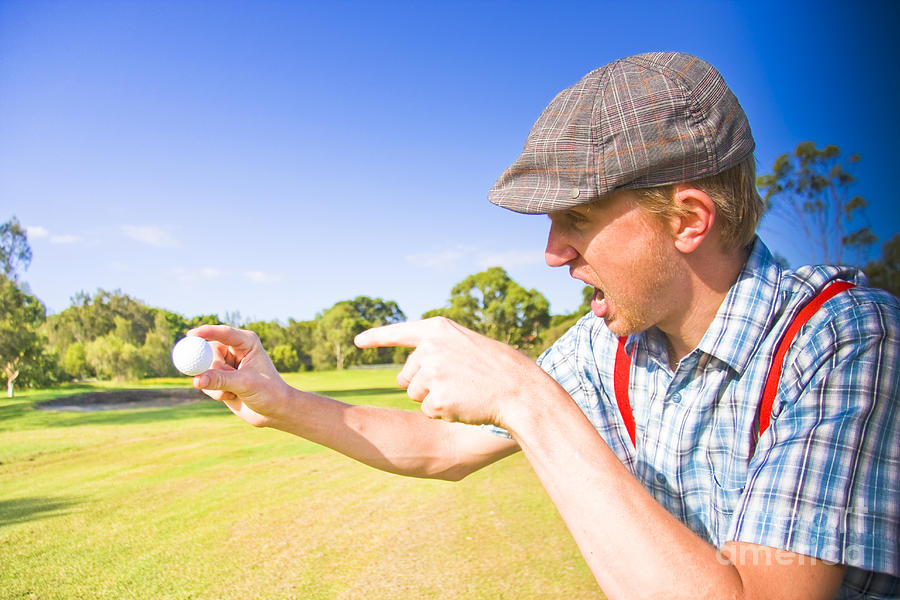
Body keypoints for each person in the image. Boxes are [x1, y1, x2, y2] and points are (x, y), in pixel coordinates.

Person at [190, 52, 899, 599]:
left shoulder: (847, 344)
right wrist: (280, 402)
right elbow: (441, 447)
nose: (553, 253)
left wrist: (528, 396)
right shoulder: (609, 347)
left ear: (687, 220)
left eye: (579, 220)